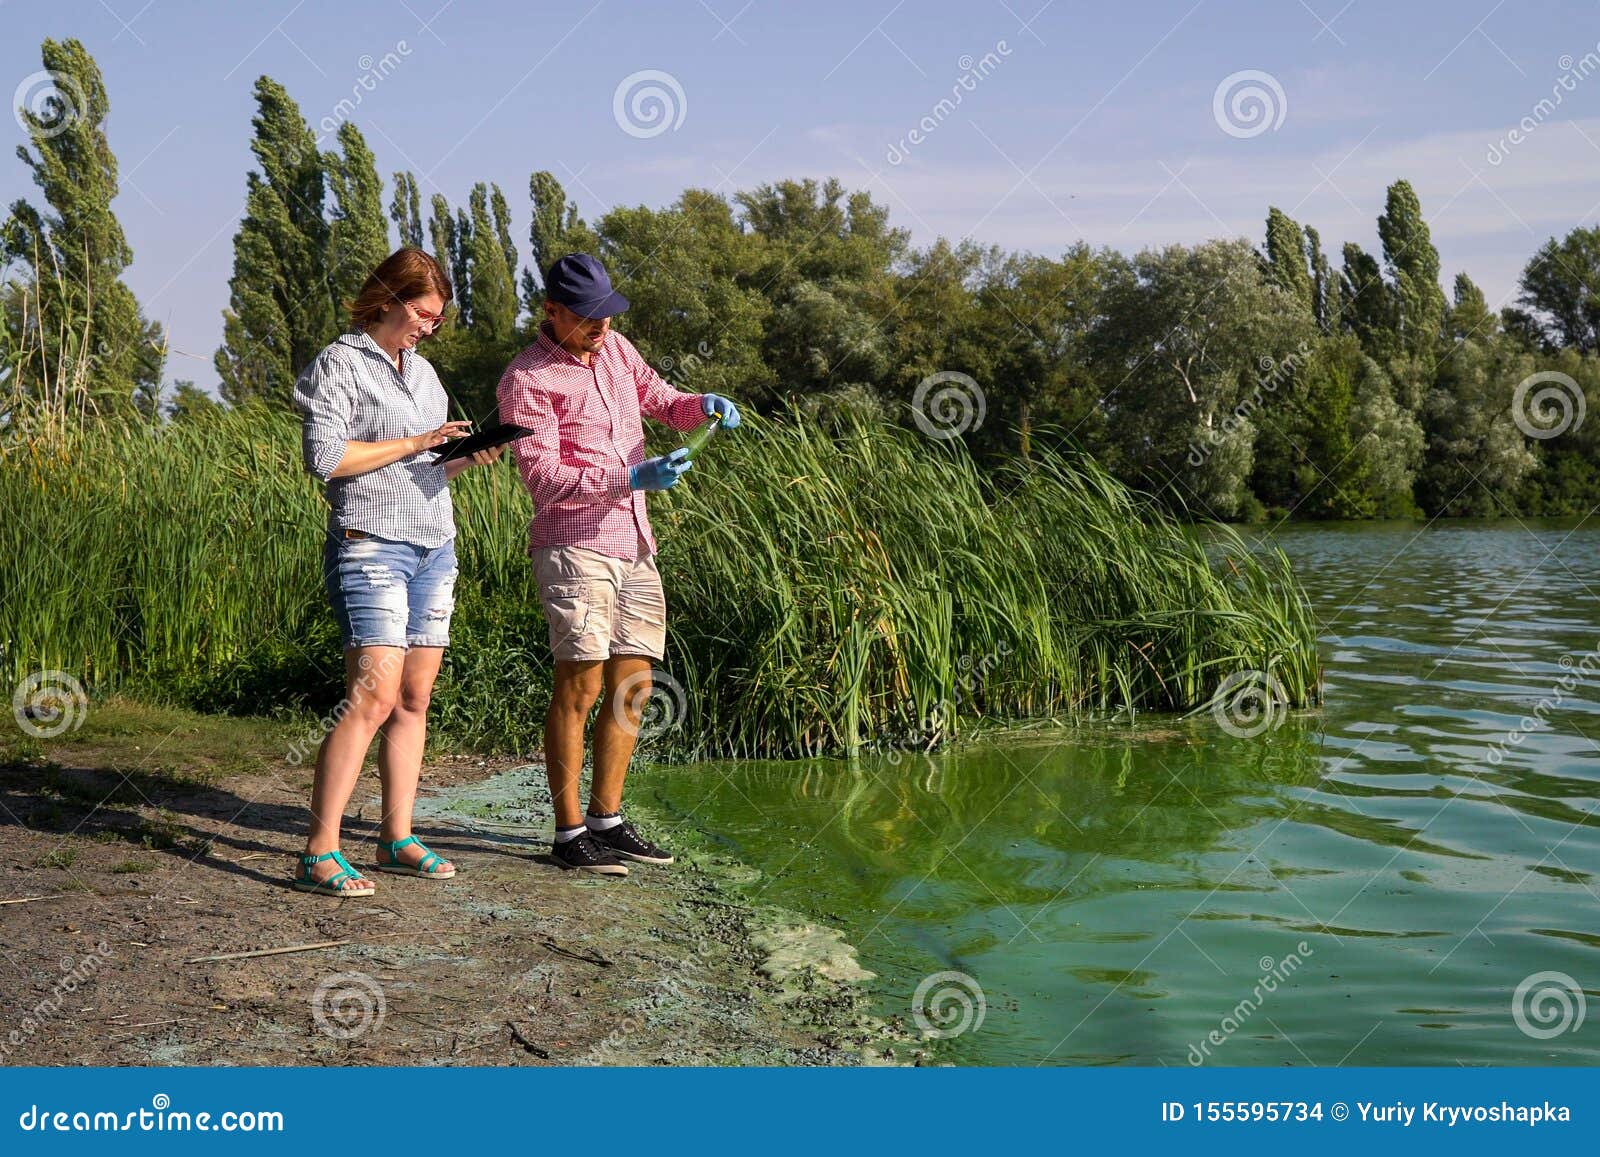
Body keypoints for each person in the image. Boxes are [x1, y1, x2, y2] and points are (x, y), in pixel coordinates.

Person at [497, 253, 740, 876]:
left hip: (635, 543)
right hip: (575, 547)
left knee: (632, 687)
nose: (601, 327)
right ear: (552, 311)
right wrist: (631, 475)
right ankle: (568, 832)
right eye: (588, 318)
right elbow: (545, 479)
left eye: (608, 314)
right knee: (579, 688)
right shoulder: (526, 380)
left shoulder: (616, 349)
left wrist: (702, 405)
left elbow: (661, 399)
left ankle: (609, 821)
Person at [289, 247, 503, 897]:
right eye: (423, 313)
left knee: (413, 698)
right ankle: (318, 850)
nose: (429, 327)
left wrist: (466, 456)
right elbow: (325, 457)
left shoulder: (427, 373)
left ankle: (395, 837)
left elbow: (429, 469)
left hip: (434, 545)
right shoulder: (340, 362)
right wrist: (417, 441)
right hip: (370, 543)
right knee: (373, 696)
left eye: (437, 319)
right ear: (388, 297)